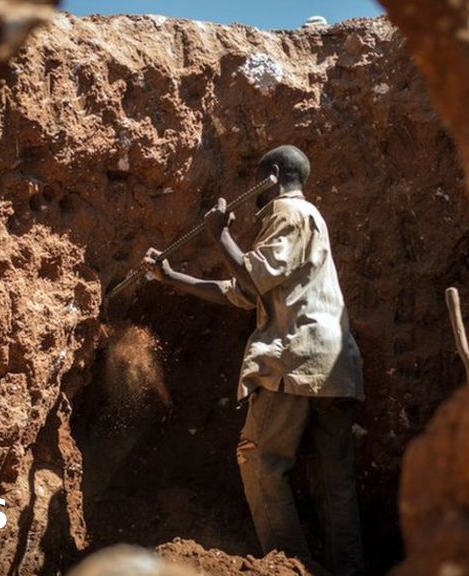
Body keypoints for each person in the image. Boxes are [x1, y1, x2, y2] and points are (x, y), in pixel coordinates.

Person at [142, 145, 364, 575]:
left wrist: (220, 234)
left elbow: (252, 275)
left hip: (296, 362)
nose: (255, 196)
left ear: (273, 177)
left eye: (258, 184)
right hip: (336, 366)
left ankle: (290, 567)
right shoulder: (309, 221)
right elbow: (242, 292)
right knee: (335, 478)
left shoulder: (287, 213)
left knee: (260, 459)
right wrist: (172, 278)